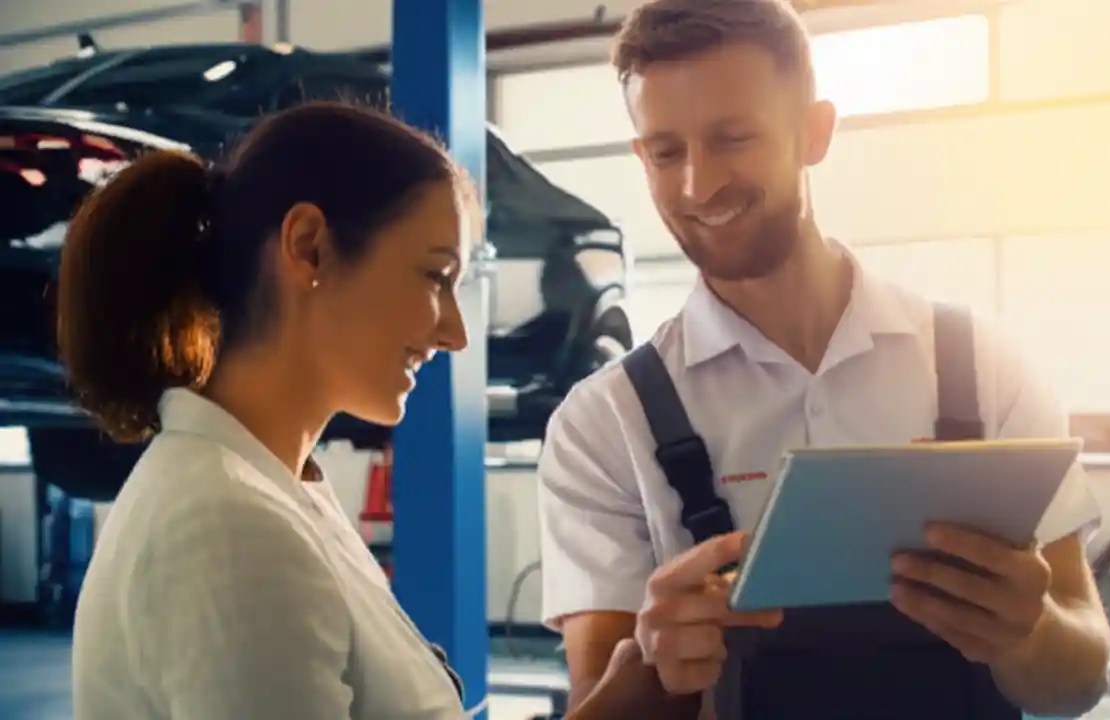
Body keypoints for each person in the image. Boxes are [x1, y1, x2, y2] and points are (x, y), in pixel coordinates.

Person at [536, 1, 1110, 718]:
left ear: (814, 131)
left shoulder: (981, 365)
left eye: (733, 138)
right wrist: (655, 670)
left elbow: (1079, 683)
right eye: (666, 152)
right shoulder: (604, 425)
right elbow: (598, 706)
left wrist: (1031, 632)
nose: (698, 185)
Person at [59, 101, 678, 720]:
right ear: (309, 248)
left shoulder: (271, 494)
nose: (456, 334)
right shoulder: (226, 528)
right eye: (436, 276)